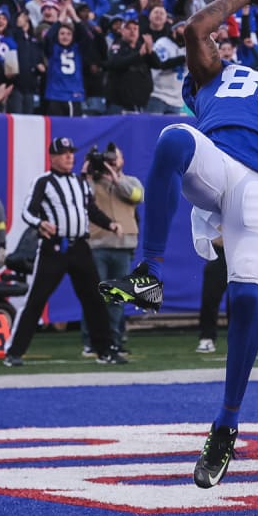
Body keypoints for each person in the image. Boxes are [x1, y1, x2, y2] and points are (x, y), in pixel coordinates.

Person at [98, 0, 258, 489]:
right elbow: (193, 31)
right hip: (220, 162)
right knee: (174, 138)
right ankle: (150, 272)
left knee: (248, 300)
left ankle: (226, 423)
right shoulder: (214, 76)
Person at [4, 136, 121, 367]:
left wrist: (110, 224)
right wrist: (40, 224)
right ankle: (14, 351)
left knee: (94, 299)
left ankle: (105, 350)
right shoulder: (43, 182)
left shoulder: (80, 182)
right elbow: (27, 212)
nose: (69, 157)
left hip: (80, 247)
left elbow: (91, 210)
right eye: (64, 153)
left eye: (71, 152)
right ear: (53, 157)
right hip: (55, 248)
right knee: (36, 300)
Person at [85, 142, 142, 360]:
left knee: (116, 299)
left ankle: (114, 341)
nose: (111, 162)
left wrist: (115, 179)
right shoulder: (92, 182)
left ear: (122, 161)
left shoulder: (131, 181)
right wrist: (88, 173)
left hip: (123, 245)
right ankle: (91, 342)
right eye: (107, 159)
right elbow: (83, 197)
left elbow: (137, 196)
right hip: (97, 244)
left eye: (114, 158)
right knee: (94, 296)